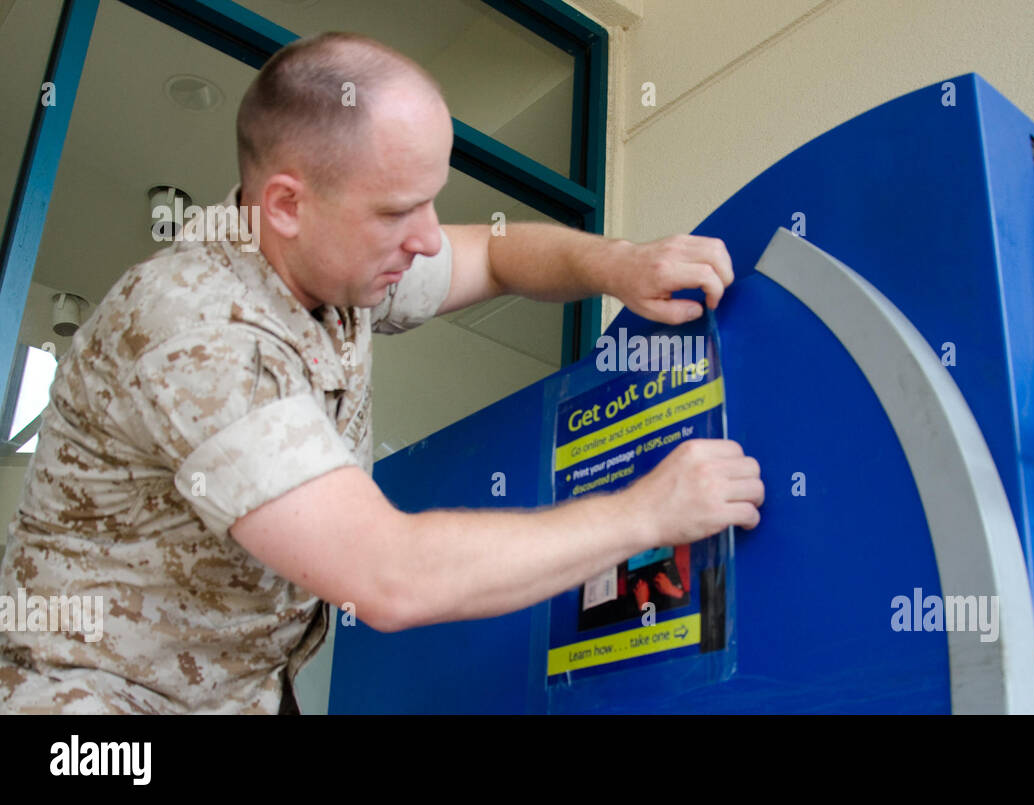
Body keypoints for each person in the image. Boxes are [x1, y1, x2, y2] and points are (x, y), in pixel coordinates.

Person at [0, 32, 763, 714]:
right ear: (289, 204)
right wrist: (649, 514)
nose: (429, 239)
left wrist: (619, 263)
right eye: (401, 210)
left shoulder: (334, 262)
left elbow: (495, 254)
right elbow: (390, 577)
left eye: (431, 200)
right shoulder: (197, 331)